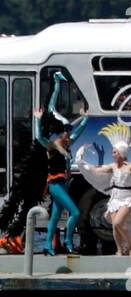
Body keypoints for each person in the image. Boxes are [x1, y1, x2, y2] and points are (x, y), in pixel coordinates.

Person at [75, 123, 131, 255]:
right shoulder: (112, 166)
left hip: (127, 197)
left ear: (121, 153)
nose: (113, 154)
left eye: (115, 152)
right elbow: (96, 170)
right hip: (115, 196)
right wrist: (82, 161)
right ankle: (120, 249)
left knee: (117, 222)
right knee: (115, 227)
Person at [34, 102, 89, 255]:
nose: (69, 134)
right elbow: (39, 137)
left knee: (56, 216)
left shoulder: (66, 145)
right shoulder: (52, 146)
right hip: (55, 185)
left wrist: (84, 119)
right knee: (76, 213)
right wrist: (38, 119)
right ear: (61, 132)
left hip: (64, 184)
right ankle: (69, 242)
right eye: (67, 131)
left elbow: (79, 132)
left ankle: (47, 246)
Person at [0, 135, 48, 254]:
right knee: (21, 211)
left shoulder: (36, 157)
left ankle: (12, 238)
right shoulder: (41, 151)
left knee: (24, 212)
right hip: (31, 185)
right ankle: (10, 238)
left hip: (33, 186)